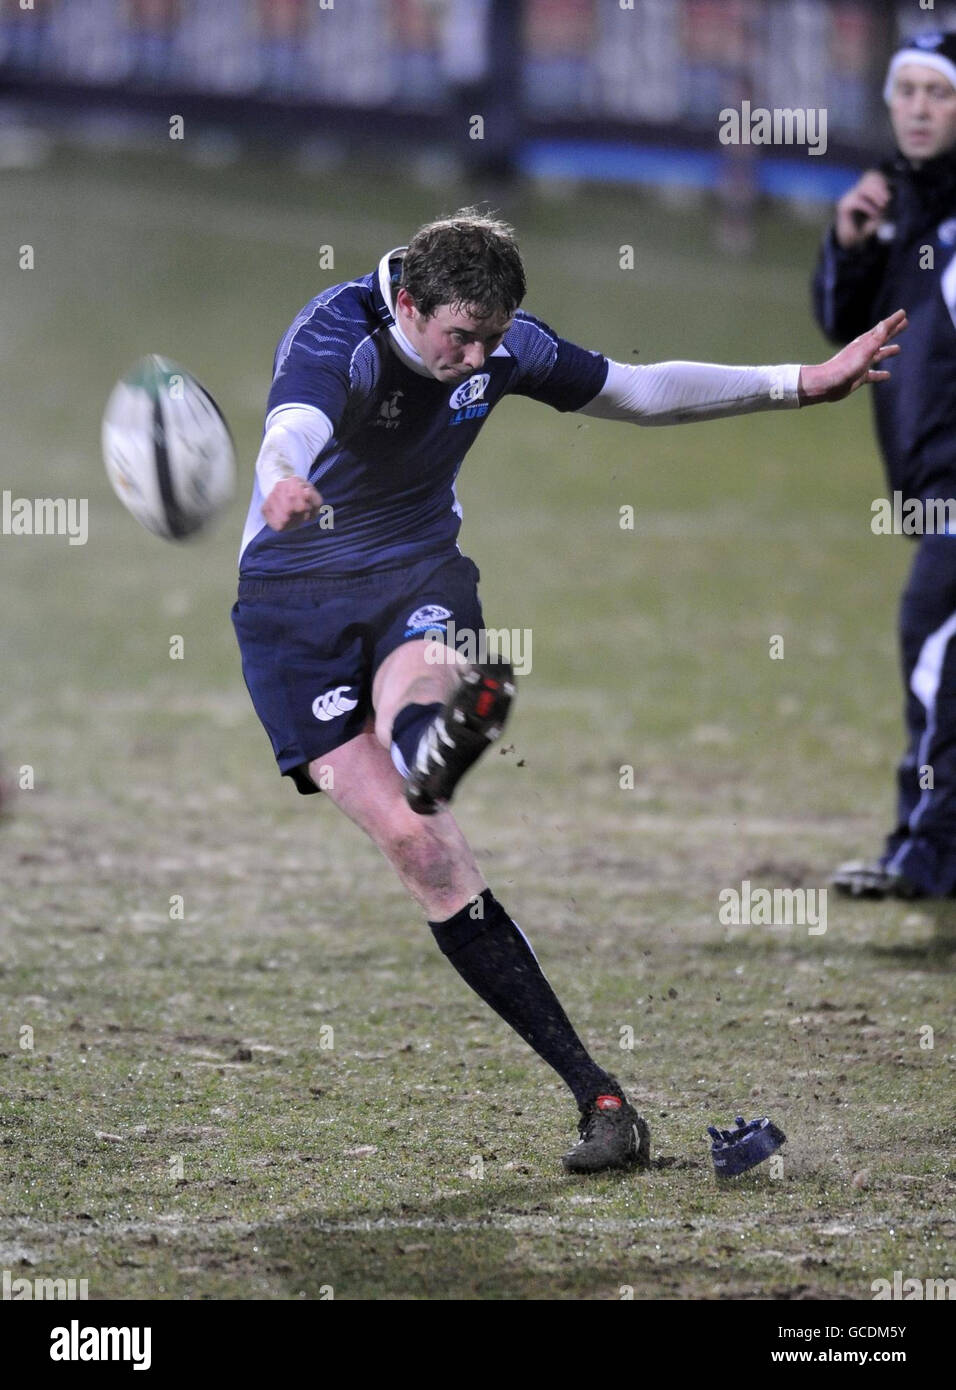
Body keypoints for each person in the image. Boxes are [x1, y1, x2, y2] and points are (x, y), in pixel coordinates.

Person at [233, 208, 904, 1171]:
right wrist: (284, 483)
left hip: (414, 573)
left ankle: (441, 730)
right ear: (411, 304)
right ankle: (602, 1095)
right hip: (291, 606)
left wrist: (801, 383)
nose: (476, 359)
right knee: (422, 849)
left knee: (417, 708)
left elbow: (639, 391)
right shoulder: (340, 336)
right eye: (460, 337)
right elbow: (288, 425)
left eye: (492, 340)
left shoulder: (504, 345)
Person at [813, 32, 956, 899]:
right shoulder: (896, 202)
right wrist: (852, 243)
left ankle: (924, 853)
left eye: (936, 92)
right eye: (905, 89)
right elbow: (844, 328)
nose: (917, 106)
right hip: (929, 484)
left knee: (934, 646)